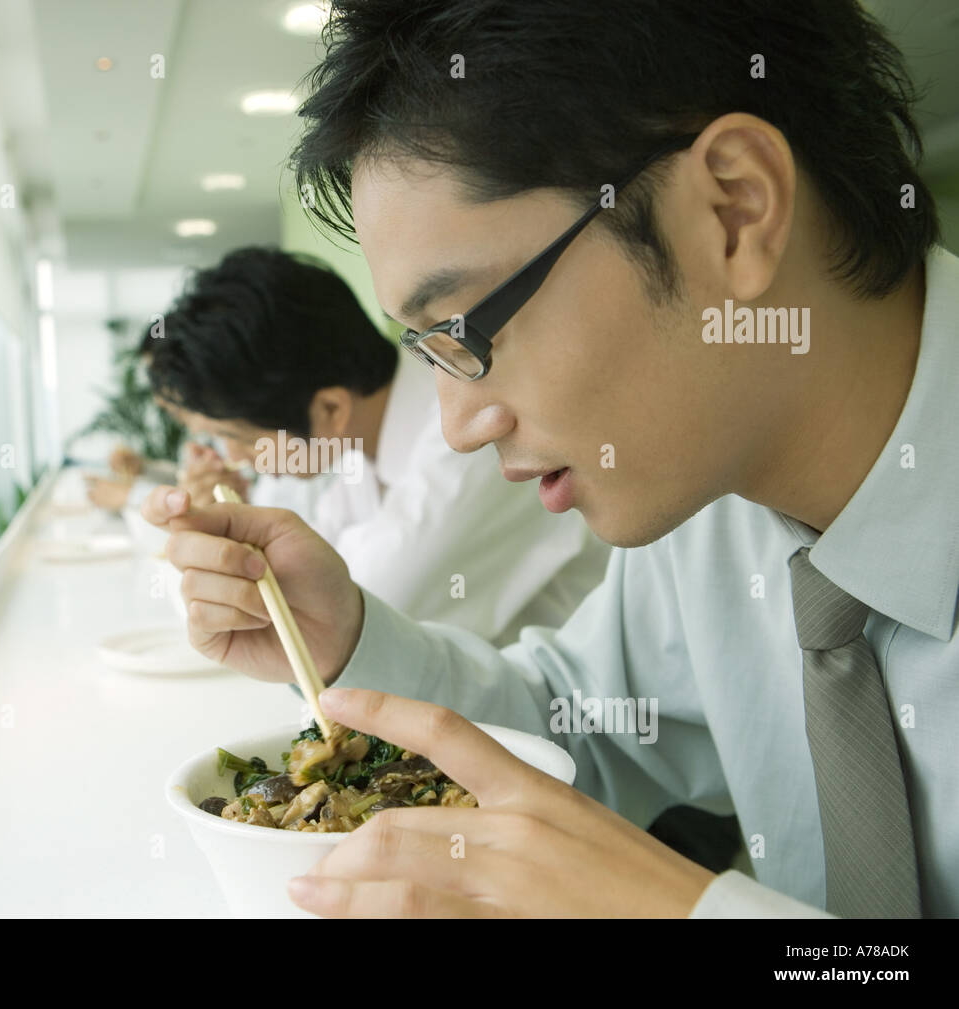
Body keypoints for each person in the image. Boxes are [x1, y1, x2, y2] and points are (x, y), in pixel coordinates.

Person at [141, 0, 953, 917]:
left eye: (466, 328)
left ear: (734, 209)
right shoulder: (714, 499)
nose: (456, 428)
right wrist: (350, 639)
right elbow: (578, 727)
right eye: (429, 353)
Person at [142, 246, 610, 645]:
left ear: (328, 409)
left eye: (236, 437)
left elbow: (330, 616)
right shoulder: (362, 456)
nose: (234, 459)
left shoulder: (472, 438)